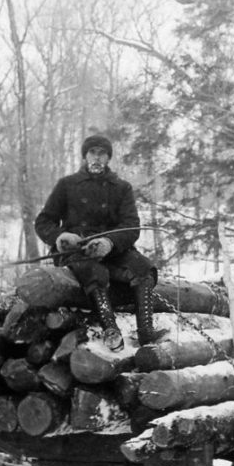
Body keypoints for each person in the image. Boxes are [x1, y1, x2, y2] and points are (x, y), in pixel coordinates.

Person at [34, 134, 159, 351]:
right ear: (85, 156)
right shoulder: (67, 185)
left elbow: (131, 225)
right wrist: (61, 237)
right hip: (77, 251)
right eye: (92, 152)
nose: (97, 158)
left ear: (108, 158)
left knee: (143, 269)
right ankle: (111, 329)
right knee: (94, 273)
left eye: (102, 153)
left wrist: (110, 242)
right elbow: (44, 221)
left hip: (114, 249)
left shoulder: (121, 188)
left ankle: (146, 332)